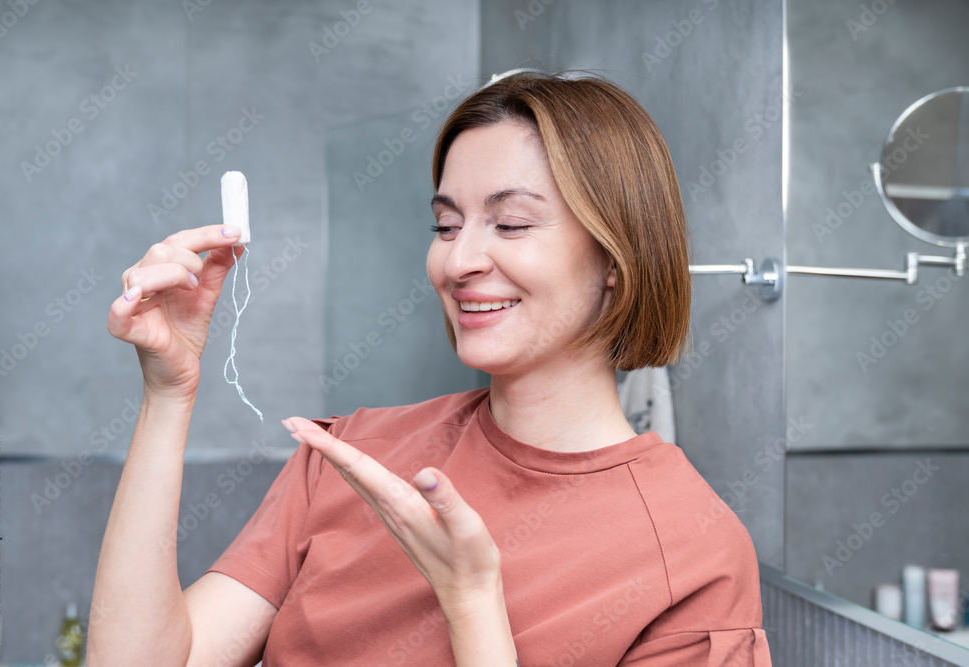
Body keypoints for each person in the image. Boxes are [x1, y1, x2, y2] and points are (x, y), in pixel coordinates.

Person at [89, 71, 771, 666]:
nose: (459, 260)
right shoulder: (351, 455)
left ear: (616, 263)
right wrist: (167, 392)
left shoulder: (693, 555)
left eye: (510, 225)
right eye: (447, 226)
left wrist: (471, 603)